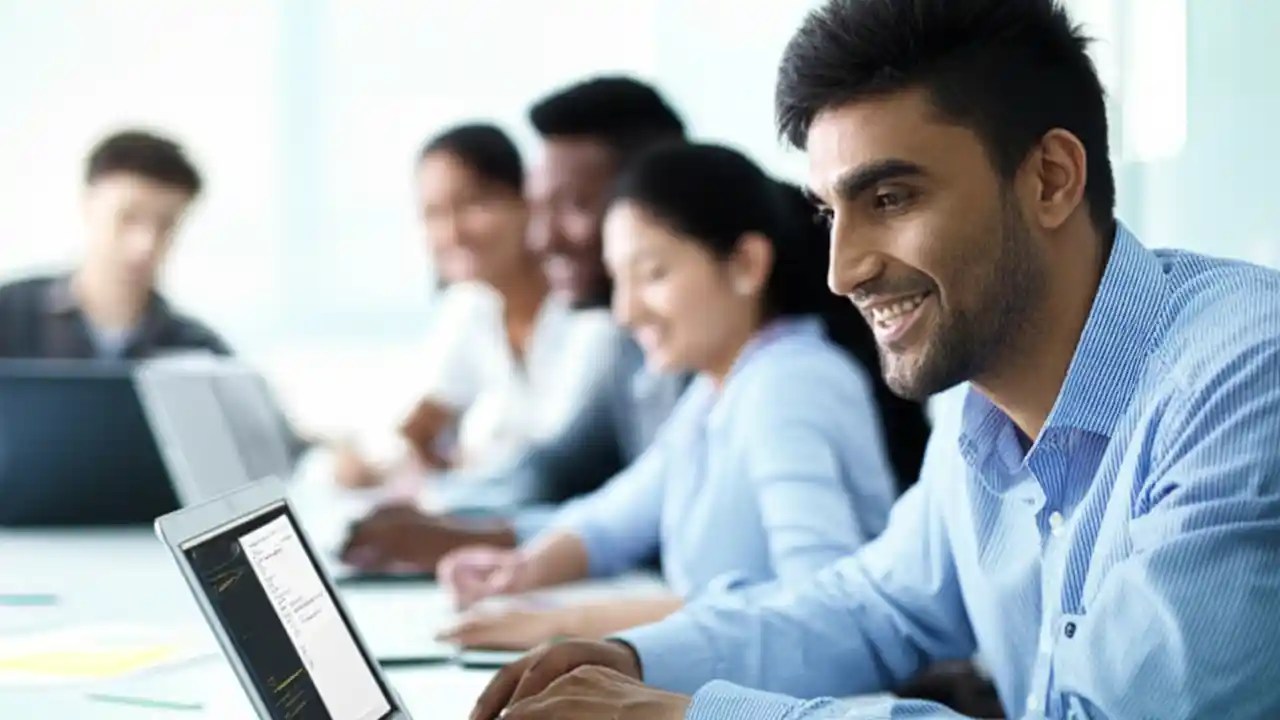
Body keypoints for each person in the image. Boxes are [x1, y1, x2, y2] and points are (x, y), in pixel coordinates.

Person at [469, 1, 1280, 719]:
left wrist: (683, 717)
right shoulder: (980, 402)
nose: (841, 269)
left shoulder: (1245, 375)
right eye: (829, 212)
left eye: (890, 200)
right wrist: (630, 659)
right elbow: (873, 605)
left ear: (1051, 179)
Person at [433, 143, 903, 651]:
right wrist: (521, 572)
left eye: (653, 274)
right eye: (619, 280)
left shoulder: (790, 385)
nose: (626, 311)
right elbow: (612, 521)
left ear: (746, 264)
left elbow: (812, 606)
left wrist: (563, 622)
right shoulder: (717, 388)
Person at [340, 77, 692, 569]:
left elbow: (653, 522)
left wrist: (469, 535)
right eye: (542, 207)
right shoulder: (630, 346)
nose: (544, 240)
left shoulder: (730, 360)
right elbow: (557, 470)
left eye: (575, 206)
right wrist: (449, 523)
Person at [338, 123, 615, 482]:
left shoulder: (586, 308)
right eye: (433, 213)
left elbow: (557, 460)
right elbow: (419, 423)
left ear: (526, 201)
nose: (453, 232)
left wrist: (469, 467)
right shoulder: (471, 306)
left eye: (473, 204)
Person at [0, 130, 227, 359]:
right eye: (127, 217)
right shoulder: (7, 317)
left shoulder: (203, 353)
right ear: (87, 205)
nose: (145, 245)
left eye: (165, 225)